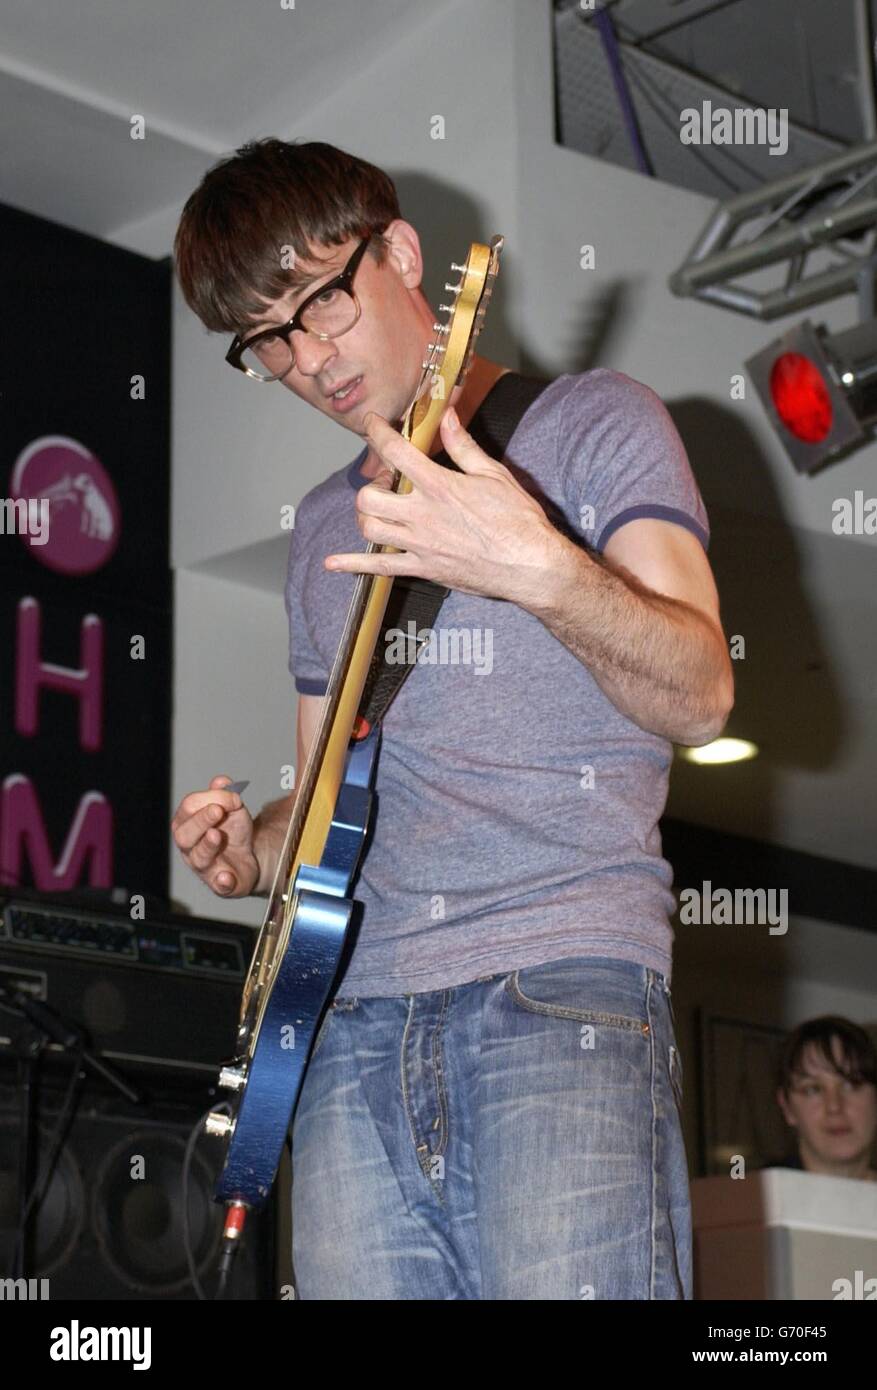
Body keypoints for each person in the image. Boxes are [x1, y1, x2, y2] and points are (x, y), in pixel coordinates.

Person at [171, 138, 734, 1299]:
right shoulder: (319, 532)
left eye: (320, 300)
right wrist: (249, 853)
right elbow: (323, 799)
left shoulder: (592, 421)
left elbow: (700, 689)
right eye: (266, 339)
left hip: (557, 989)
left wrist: (539, 566)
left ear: (403, 255)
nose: (306, 357)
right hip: (349, 1026)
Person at [770, 1016, 877, 1182]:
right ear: (787, 1108)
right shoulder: (752, 1201)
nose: (834, 1106)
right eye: (813, 1089)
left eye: (851, 1085)